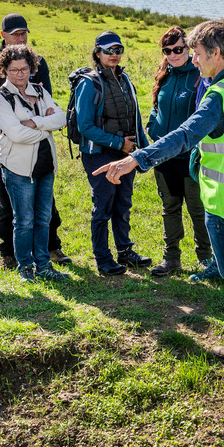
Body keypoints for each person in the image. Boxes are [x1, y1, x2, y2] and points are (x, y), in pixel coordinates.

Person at [94, 19, 224, 361]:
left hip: (223, 199)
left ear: (216, 53)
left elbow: (183, 136)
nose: (193, 59)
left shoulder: (217, 97)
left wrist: (136, 159)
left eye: (197, 53)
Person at [0, 12, 72, 270]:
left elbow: (52, 107)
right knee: (9, 201)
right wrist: (45, 125)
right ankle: (9, 253)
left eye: (24, 34)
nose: (21, 38)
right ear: (3, 36)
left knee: (45, 204)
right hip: (8, 145)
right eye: (16, 34)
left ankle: (51, 248)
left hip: (40, 150)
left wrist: (37, 122)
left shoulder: (38, 62)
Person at [73, 31, 152, 276]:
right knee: (103, 204)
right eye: (108, 50)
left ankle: (125, 251)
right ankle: (103, 258)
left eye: (118, 50)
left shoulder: (125, 79)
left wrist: (143, 150)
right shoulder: (89, 83)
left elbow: (135, 118)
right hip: (99, 154)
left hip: (126, 154)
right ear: (97, 53)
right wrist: (119, 144)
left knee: (123, 202)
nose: (114, 55)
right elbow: (84, 126)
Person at [144, 26, 214, 278]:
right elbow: (156, 107)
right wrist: (152, 127)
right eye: (167, 50)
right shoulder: (165, 74)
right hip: (165, 157)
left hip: (190, 158)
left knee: (197, 209)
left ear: (188, 48)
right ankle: (171, 258)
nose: (173, 54)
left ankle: (207, 258)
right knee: (170, 207)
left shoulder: (199, 77)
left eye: (178, 49)